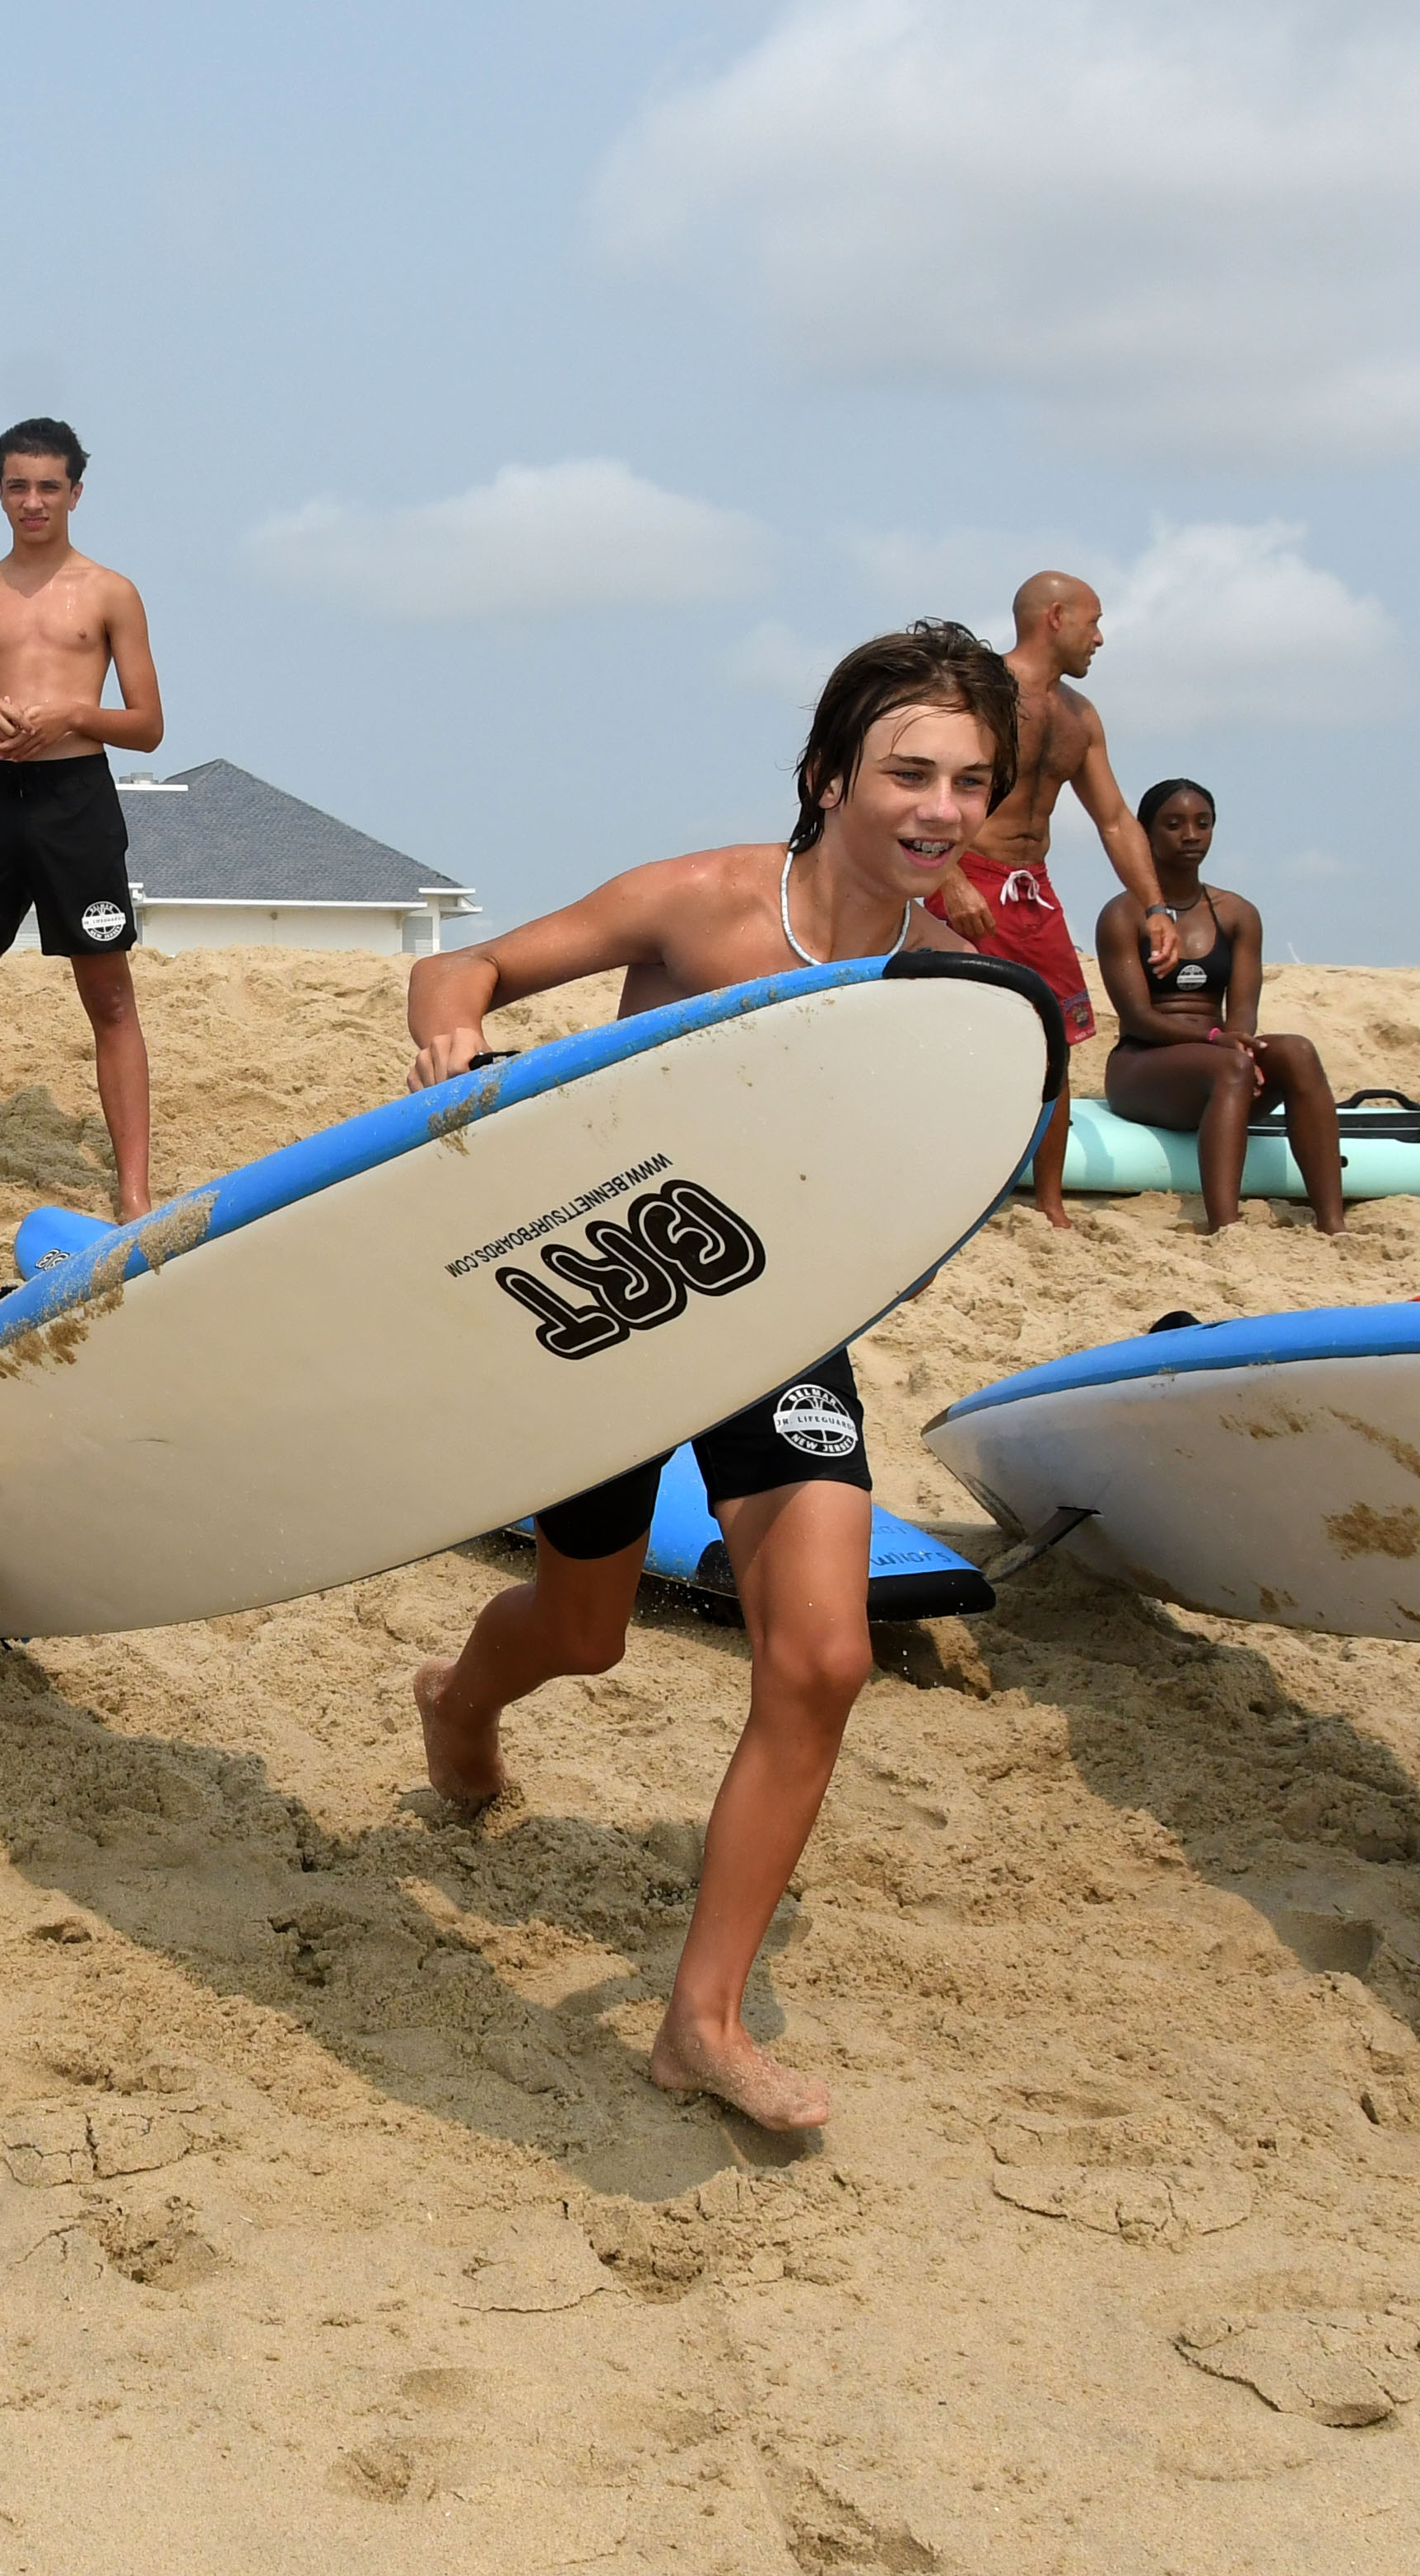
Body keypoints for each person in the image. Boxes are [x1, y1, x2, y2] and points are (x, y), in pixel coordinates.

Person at [400, 621, 1019, 2135]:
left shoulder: (944, 987)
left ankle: (698, 2020)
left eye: (968, 781)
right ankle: (454, 1703)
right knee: (582, 1630)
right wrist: (452, 1041)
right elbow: (459, 962)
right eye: (907, 772)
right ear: (826, 776)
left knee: (816, 1660)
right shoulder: (700, 903)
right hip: (605, 1298)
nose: (938, 808)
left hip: (772, 1320)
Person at [0, 420, 165, 1222]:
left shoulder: (110, 591)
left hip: (75, 800)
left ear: (75, 492)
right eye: (17, 485)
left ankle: (131, 1193)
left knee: (109, 994)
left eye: (47, 486)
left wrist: (72, 715)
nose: (32, 501)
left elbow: (149, 724)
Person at [919, 570, 1179, 1230]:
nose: (1101, 637)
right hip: (966, 871)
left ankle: (1052, 1203)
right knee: (966, 1036)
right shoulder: (978, 693)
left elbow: (1115, 819)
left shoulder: (1078, 717)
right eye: (1092, 622)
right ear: (1054, 618)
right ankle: (949, 1185)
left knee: (1054, 1041)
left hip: (1033, 890)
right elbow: (931, 788)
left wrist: (1155, 908)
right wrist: (949, 879)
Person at [1096, 779, 1345, 1235]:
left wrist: (1242, 1046)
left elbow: (1243, 1011)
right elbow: (1137, 1019)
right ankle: (1225, 1227)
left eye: (1202, 824)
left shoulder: (1237, 913)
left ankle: (1333, 1222)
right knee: (1229, 1067)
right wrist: (1218, 1043)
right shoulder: (1124, 914)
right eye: (1174, 825)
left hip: (1221, 1054)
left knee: (1298, 1052)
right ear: (1146, 834)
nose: (1191, 835)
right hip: (1144, 1066)